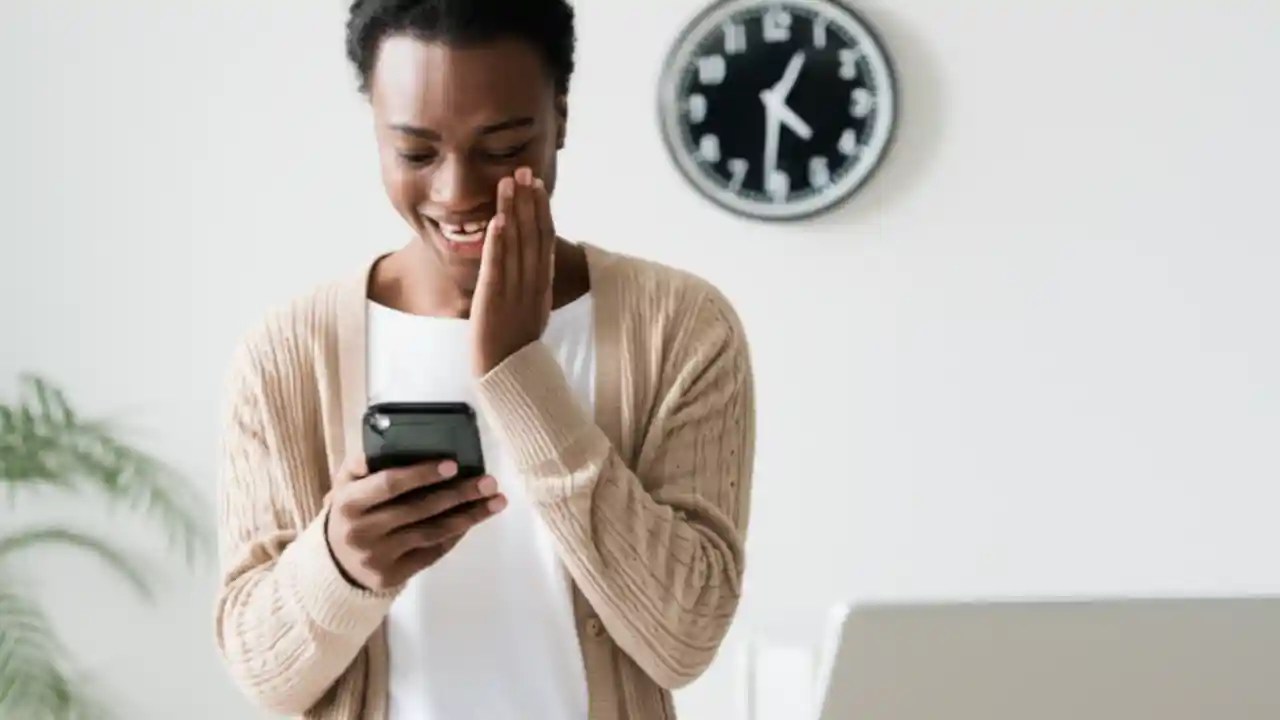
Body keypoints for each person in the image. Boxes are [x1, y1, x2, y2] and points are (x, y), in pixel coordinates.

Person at [213, 0, 755, 718]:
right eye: (414, 152)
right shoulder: (287, 356)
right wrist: (342, 563)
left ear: (559, 118)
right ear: (374, 125)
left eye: (502, 148)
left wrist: (519, 370)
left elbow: (682, 641)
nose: (456, 190)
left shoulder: (680, 328)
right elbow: (263, 674)